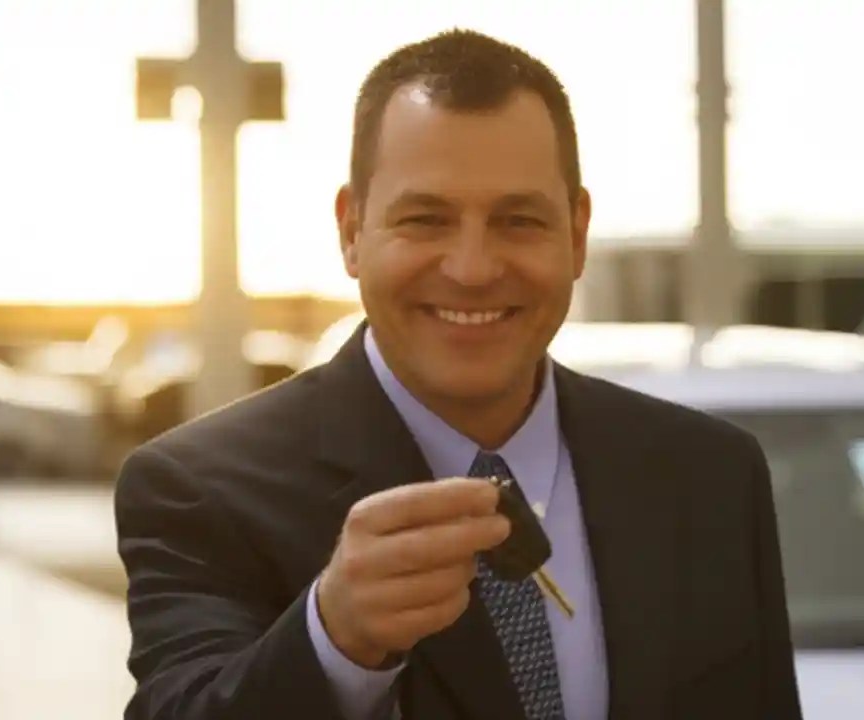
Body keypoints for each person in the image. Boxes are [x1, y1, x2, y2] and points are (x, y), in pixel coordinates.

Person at [115, 28, 801, 720]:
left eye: (519, 221)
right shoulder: (199, 491)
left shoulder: (712, 475)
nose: (472, 269)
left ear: (577, 233)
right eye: (425, 220)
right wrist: (333, 640)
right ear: (351, 231)